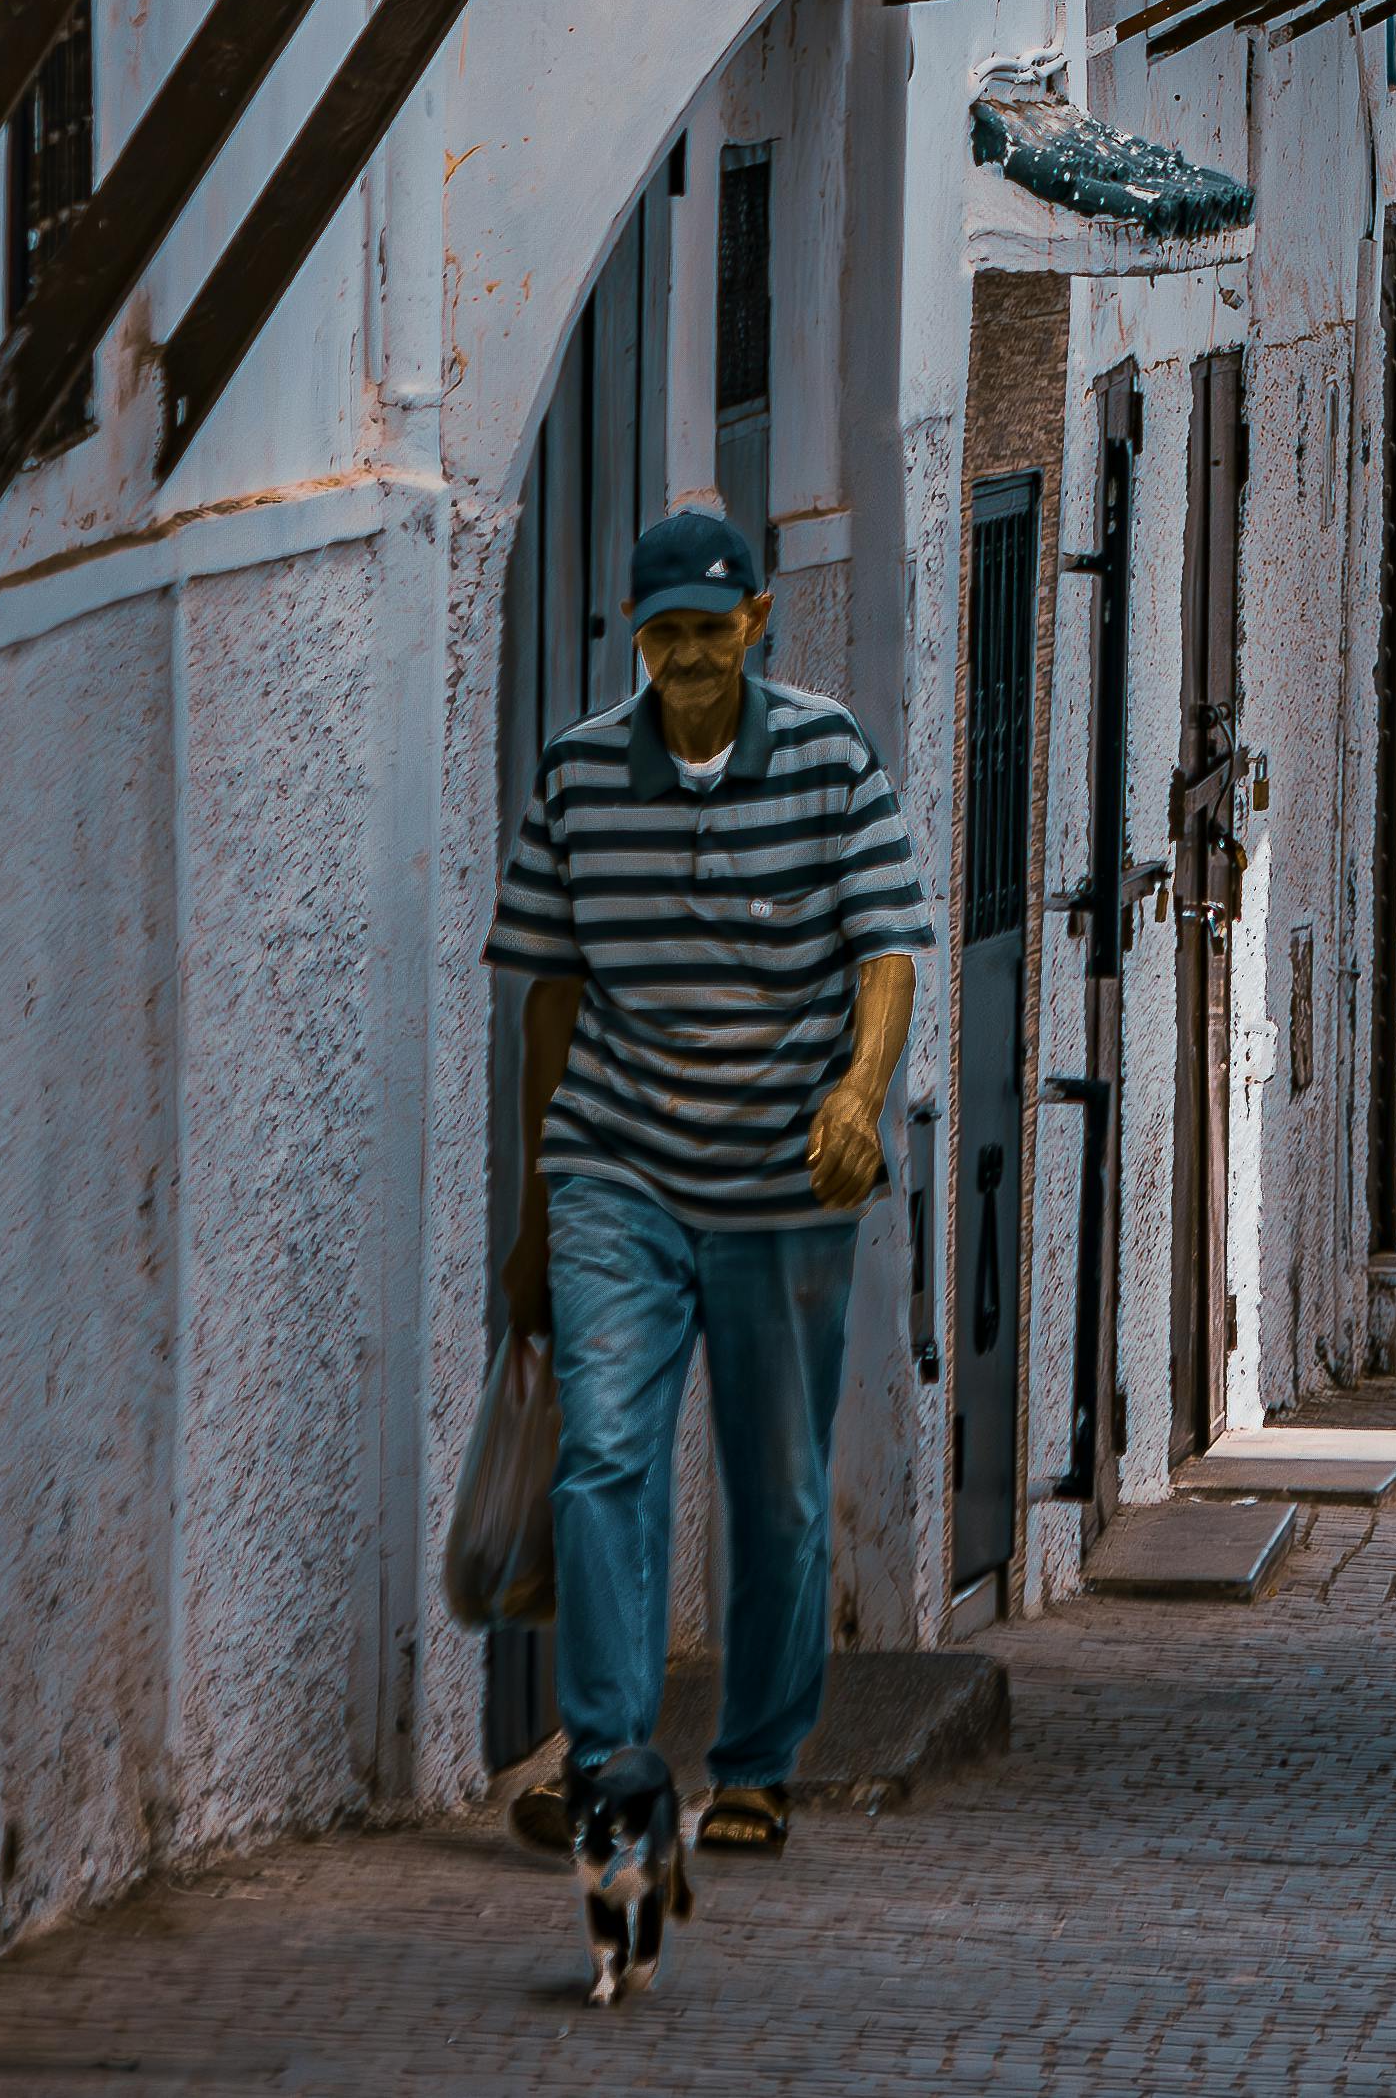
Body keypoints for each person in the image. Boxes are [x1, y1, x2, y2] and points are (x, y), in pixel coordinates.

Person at [487, 502, 934, 1857]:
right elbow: (550, 998)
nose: (687, 654)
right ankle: (615, 1754)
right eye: (663, 631)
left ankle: (752, 1759)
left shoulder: (827, 754)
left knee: (779, 1481)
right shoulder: (576, 778)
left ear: (755, 622)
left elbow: (887, 951)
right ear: (638, 636)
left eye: (709, 628)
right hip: (616, 1164)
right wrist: (534, 1209)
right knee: (604, 1455)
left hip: (782, 1180)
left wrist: (858, 1094)